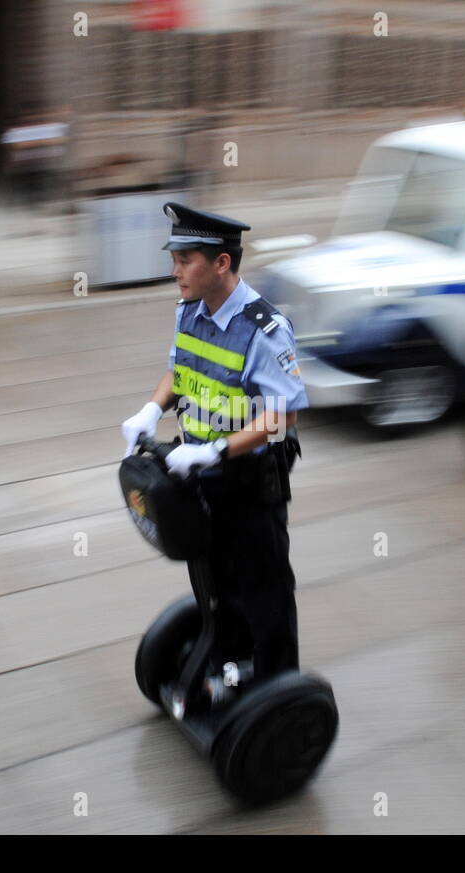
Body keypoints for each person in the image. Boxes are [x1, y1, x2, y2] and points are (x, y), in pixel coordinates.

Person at [121, 202, 307, 700]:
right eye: (175, 258)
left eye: (186, 259)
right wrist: (151, 409)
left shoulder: (264, 329)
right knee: (216, 583)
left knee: (263, 591)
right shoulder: (189, 310)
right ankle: (228, 665)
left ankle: (276, 693)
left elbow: (281, 417)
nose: (175, 270)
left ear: (221, 263)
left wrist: (217, 450)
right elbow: (179, 374)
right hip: (199, 475)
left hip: (249, 483)